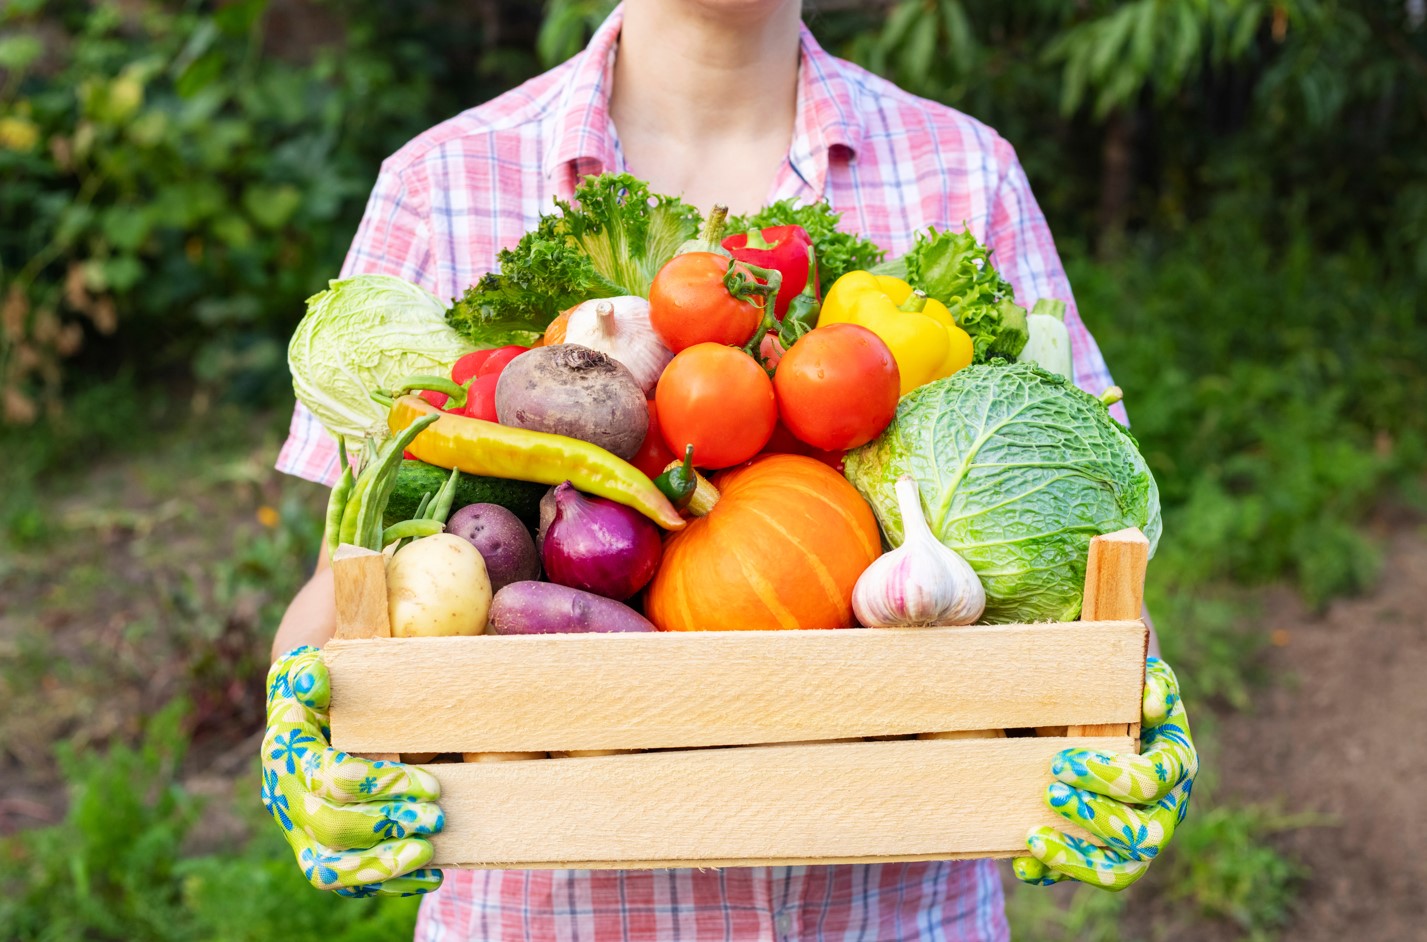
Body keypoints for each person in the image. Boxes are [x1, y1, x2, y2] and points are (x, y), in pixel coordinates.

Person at [263, 2, 1199, 939]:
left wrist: (1122, 711)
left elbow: (1078, 548)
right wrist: (303, 729)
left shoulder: (964, 172)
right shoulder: (443, 182)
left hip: (896, 915)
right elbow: (343, 583)